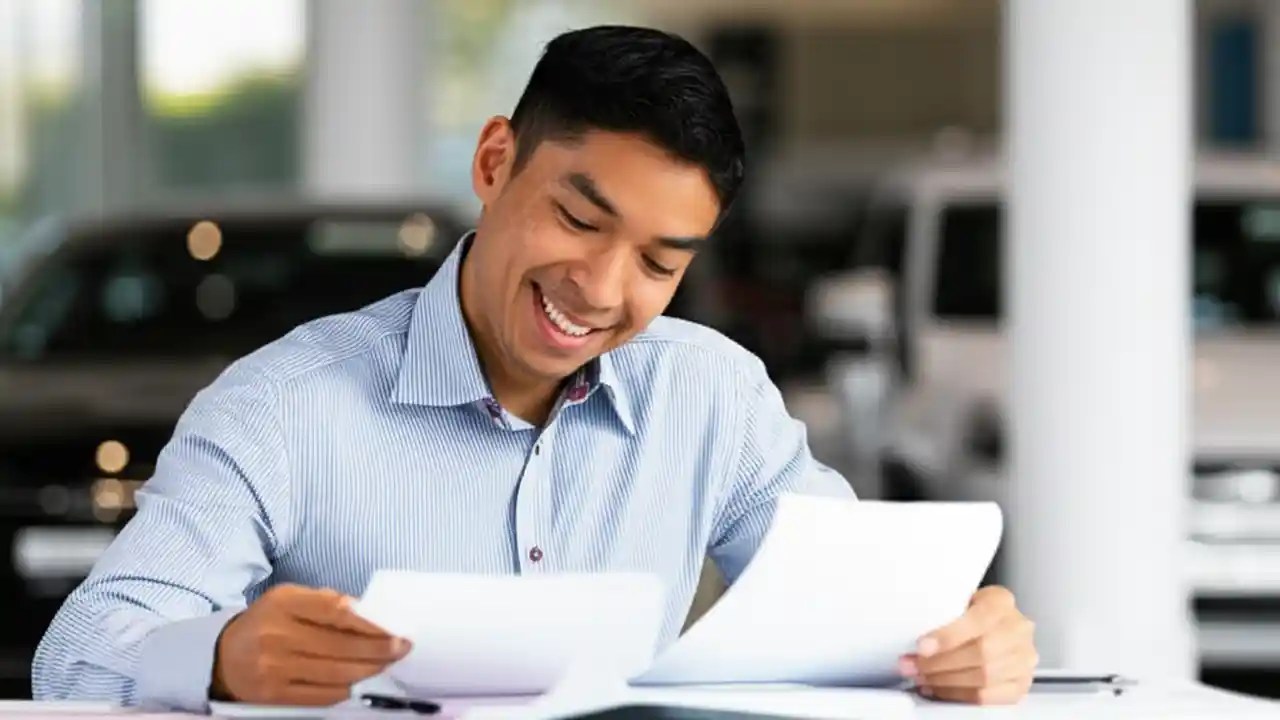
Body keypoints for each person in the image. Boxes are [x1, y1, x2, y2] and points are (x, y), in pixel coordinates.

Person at [33, 26, 1037, 710]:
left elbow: (860, 604)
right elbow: (77, 659)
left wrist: (959, 640)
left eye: (657, 262)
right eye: (577, 219)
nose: (602, 288)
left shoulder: (714, 398)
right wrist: (220, 657)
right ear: (492, 162)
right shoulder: (283, 408)